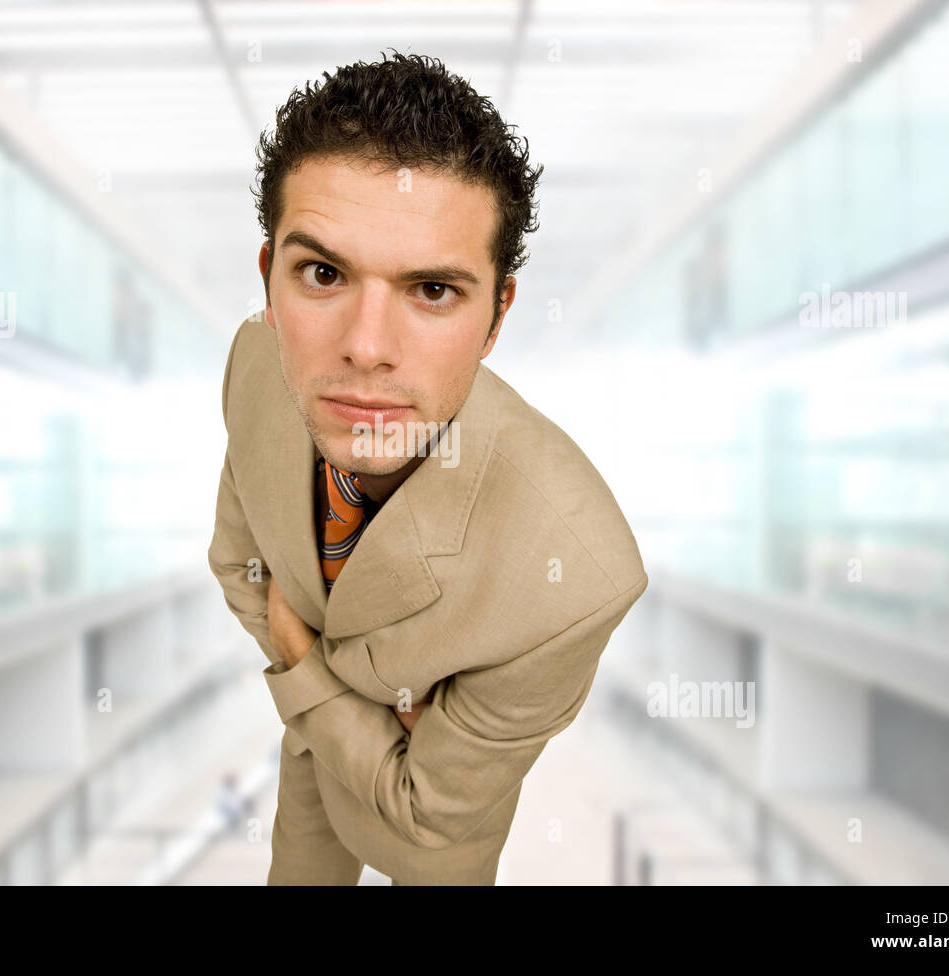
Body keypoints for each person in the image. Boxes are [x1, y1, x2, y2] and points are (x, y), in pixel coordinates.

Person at [208, 50, 647, 885]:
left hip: (431, 848)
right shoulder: (254, 368)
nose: (367, 349)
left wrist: (306, 668)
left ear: (495, 317)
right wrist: (358, 708)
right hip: (313, 760)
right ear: (269, 283)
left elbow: (428, 807)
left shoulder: (579, 576)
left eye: (433, 291)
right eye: (323, 273)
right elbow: (237, 558)